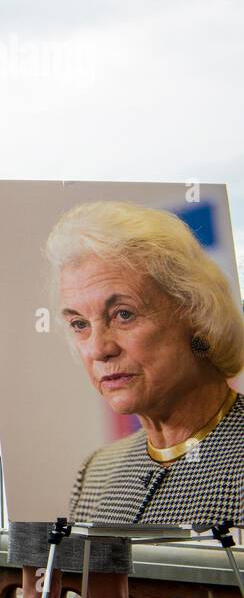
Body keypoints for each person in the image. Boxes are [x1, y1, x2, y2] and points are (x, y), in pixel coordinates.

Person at [49, 201, 244, 527]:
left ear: (195, 313)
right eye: (80, 324)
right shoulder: (96, 473)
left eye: (123, 314)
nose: (99, 349)